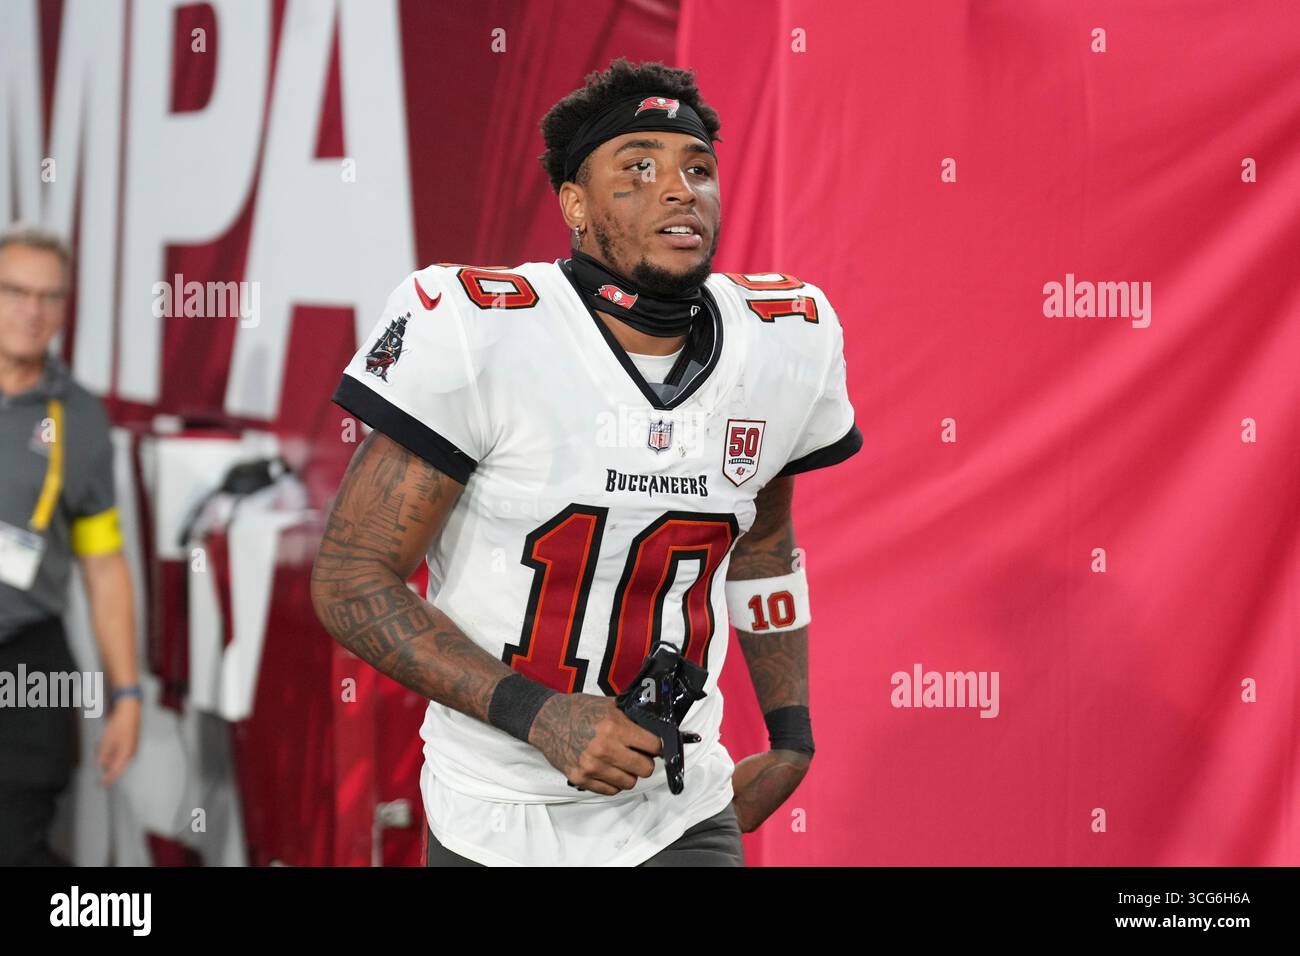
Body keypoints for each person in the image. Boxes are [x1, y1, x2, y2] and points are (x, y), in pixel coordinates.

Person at [311, 58, 862, 866]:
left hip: (677, 808)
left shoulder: (784, 340)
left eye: (697, 169)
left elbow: (763, 545)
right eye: (638, 167)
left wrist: (791, 734)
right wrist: (539, 714)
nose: (678, 190)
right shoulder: (481, 329)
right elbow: (351, 577)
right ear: (574, 205)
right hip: (498, 811)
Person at [0, 224, 141, 865]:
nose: (32, 311)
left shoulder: (79, 419)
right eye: (15, 291)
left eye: (49, 296)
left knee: (16, 839)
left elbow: (103, 563)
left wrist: (127, 694)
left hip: (26, 657)